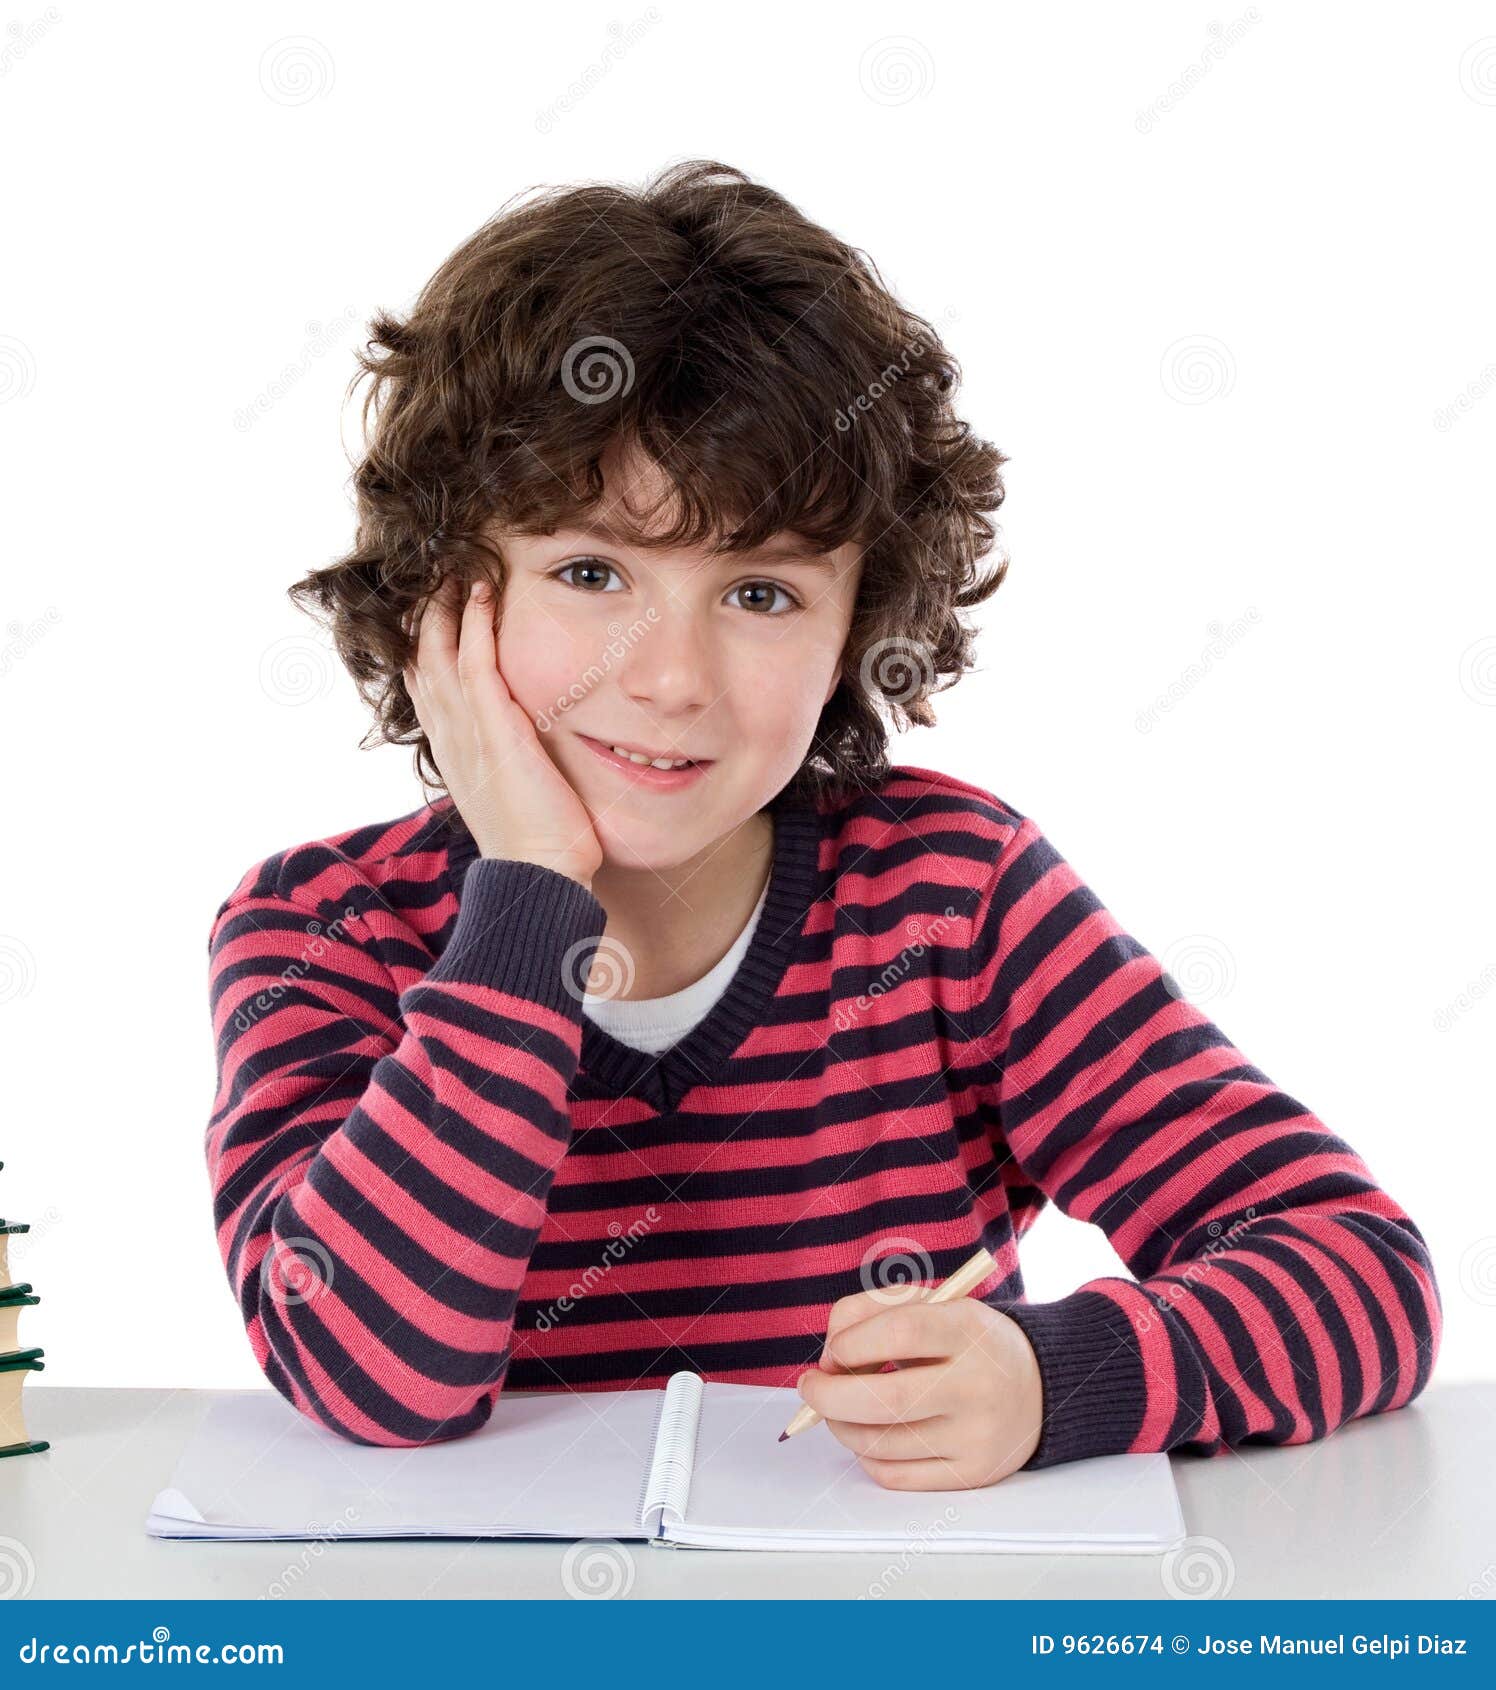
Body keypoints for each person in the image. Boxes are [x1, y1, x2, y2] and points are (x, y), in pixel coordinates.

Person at [204, 160, 1440, 1489]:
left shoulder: (956, 900)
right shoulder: (320, 929)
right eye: (589, 571)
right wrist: (526, 896)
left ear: (861, 621)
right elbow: (369, 1374)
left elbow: (1357, 1267)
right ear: (447, 601)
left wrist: (1054, 1377)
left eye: (762, 594)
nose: (671, 676)